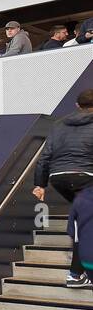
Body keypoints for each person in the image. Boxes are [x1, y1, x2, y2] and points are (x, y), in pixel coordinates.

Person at [33, 88, 93, 288]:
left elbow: (45, 156)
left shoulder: (59, 124)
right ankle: (76, 273)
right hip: (87, 176)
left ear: (77, 106)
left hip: (59, 178)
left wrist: (39, 184)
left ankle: (76, 274)